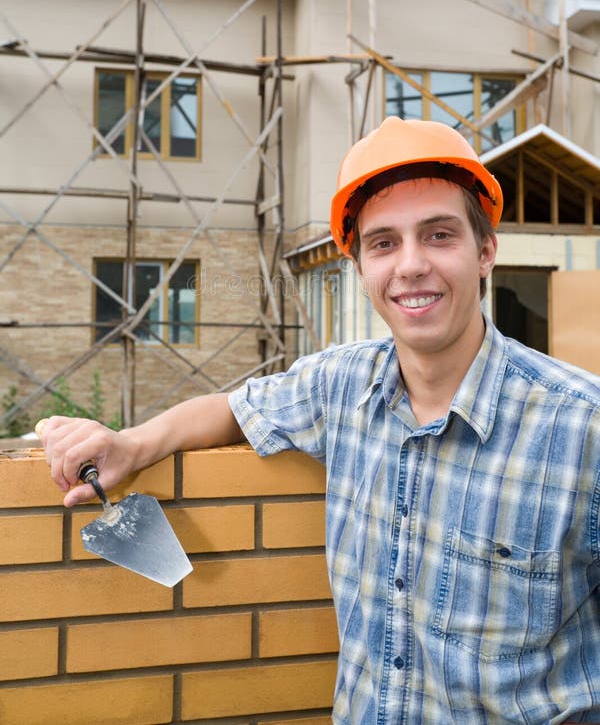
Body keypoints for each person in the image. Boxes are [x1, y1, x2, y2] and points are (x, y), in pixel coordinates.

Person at [37, 116, 600, 724]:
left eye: (439, 235)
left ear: (486, 251)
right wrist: (130, 443)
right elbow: (231, 407)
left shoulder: (581, 428)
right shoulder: (340, 387)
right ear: (360, 268)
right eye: (384, 243)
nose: (410, 265)